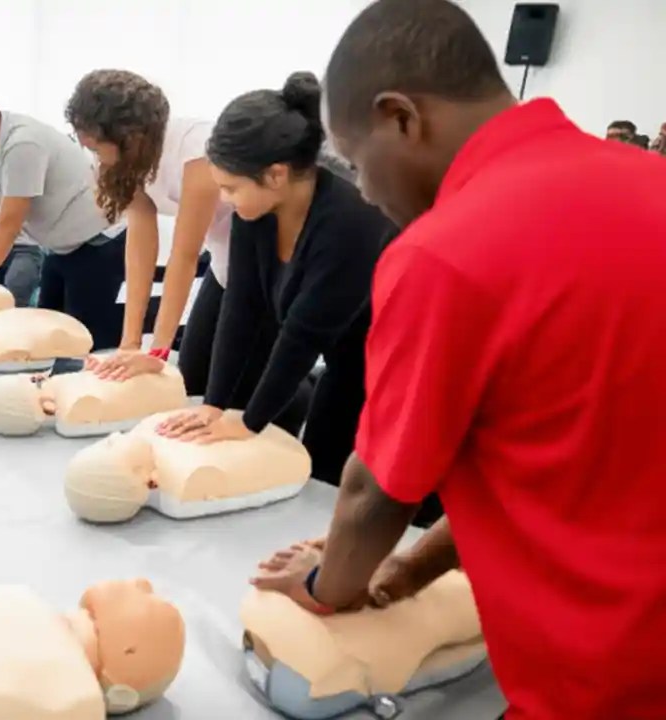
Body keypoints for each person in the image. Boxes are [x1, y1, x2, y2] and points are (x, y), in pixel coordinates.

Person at [251, 1, 666, 718]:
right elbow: (553, 457)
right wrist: (411, 568)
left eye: (357, 163)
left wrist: (326, 587)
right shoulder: (646, 182)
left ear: (401, 117)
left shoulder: (444, 253)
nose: (369, 193)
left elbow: (376, 493)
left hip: (603, 676)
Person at [155, 72, 398, 489]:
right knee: (315, 467)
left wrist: (249, 421)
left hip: (400, 365)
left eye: (230, 188)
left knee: (345, 481)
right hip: (345, 356)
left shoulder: (351, 221)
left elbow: (304, 334)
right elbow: (241, 307)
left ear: (276, 175)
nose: (223, 199)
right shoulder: (255, 214)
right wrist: (214, 406)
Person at [0, 72, 127, 348]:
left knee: (86, 342)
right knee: (46, 337)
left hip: (99, 243)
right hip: (59, 247)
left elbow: (8, 221)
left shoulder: (22, 144)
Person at [63, 69, 234, 394]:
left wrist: (157, 351)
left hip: (263, 262)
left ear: (130, 136)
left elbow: (184, 256)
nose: (95, 158)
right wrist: (129, 344)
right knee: (194, 375)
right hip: (224, 262)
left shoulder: (197, 149)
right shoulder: (128, 163)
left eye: (97, 148)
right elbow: (141, 250)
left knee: (231, 383)